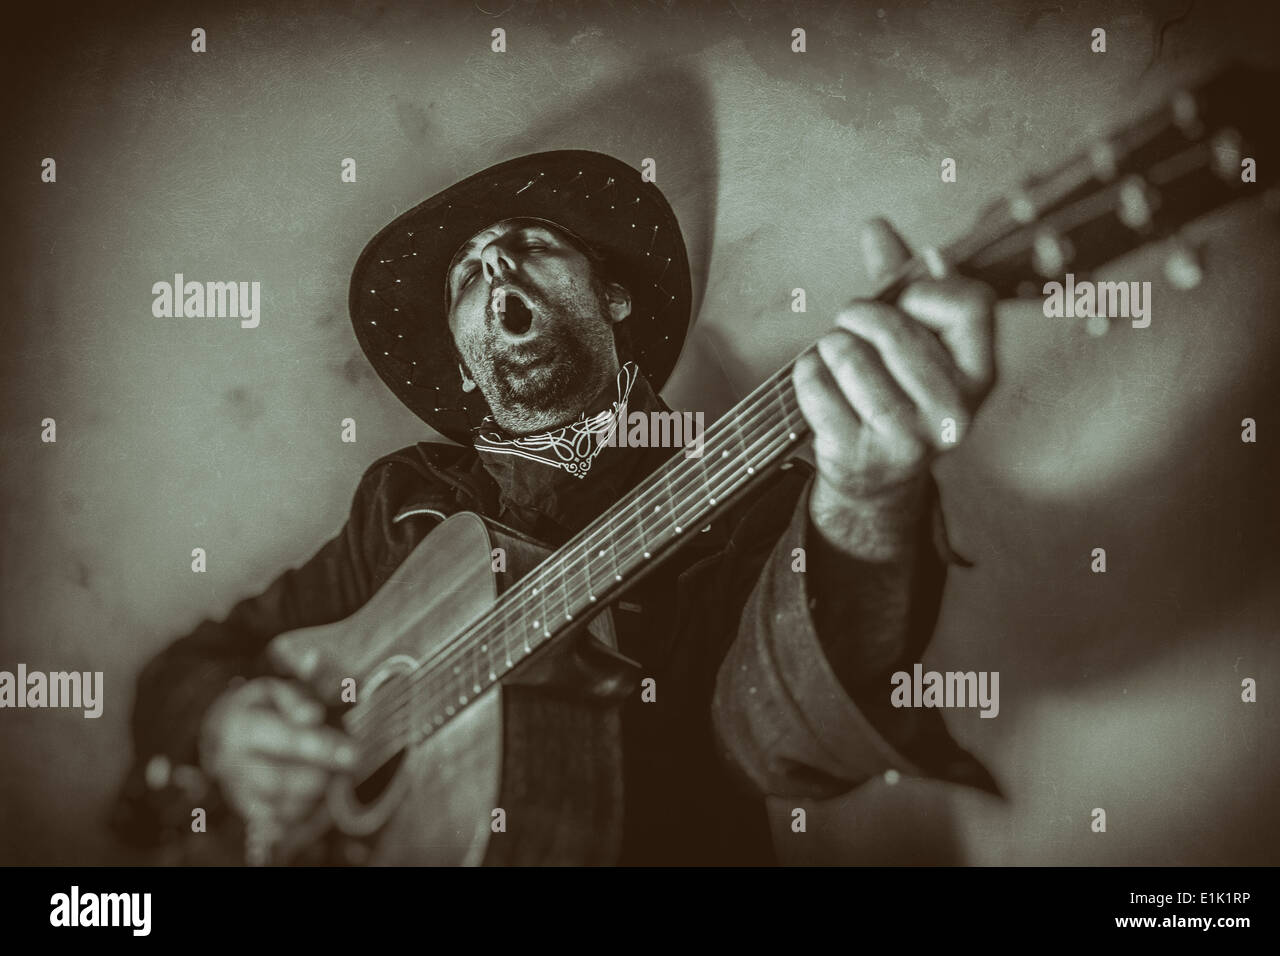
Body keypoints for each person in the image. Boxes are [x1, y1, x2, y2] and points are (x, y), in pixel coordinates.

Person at [112, 149, 1000, 865]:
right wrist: (224, 724)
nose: (496, 266)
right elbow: (188, 667)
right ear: (466, 364)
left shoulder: (748, 490)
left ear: (611, 296)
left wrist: (869, 498)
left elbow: (777, 742)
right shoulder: (402, 502)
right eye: (466, 275)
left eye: (531, 243)